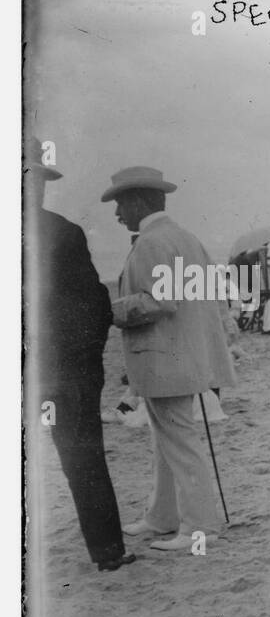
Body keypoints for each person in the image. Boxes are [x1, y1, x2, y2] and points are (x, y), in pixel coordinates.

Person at [102, 165, 236, 550]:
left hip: (164, 359)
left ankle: (200, 528)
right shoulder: (186, 238)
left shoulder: (151, 243)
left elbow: (160, 301)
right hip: (187, 355)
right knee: (167, 440)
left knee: (178, 441)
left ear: (139, 201)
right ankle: (162, 516)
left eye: (120, 205)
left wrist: (110, 310)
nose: (116, 214)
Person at [25, 141, 134, 571]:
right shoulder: (64, 233)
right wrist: (82, 364)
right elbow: (96, 307)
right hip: (64, 373)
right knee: (84, 460)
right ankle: (107, 552)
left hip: (50, 371)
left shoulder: (63, 233)